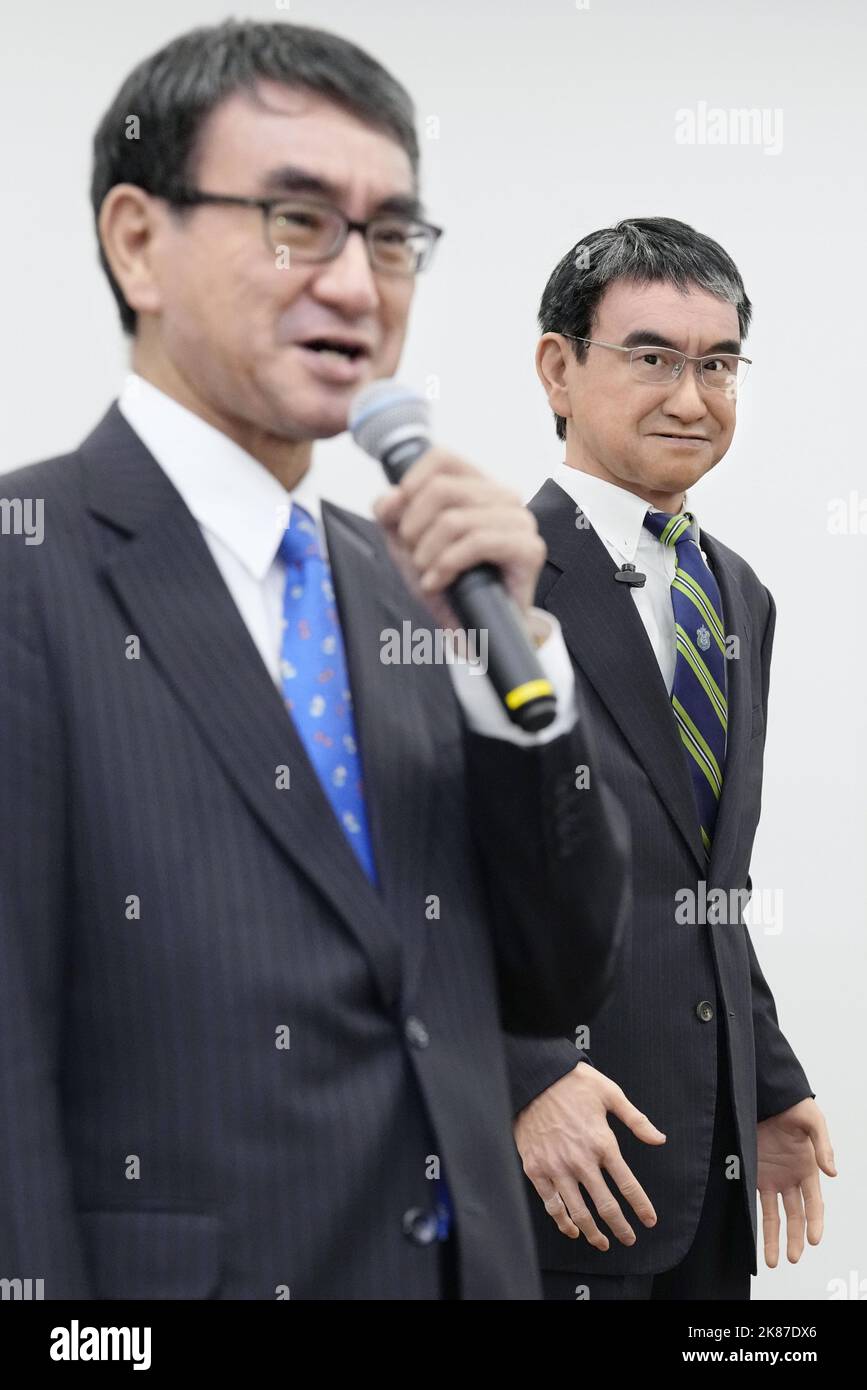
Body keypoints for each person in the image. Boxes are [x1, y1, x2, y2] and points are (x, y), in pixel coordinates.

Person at [0, 21, 630, 1301]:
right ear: (138, 240)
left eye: (391, 235)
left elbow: (552, 976)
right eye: (296, 220)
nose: (356, 282)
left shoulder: (419, 583)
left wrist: (522, 687)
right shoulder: (27, 570)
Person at [508, 217, 836, 1300]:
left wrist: (771, 1083)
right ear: (560, 367)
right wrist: (528, 1078)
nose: (692, 398)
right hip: (550, 1174)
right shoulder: (478, 585)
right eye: (651, 357)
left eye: (719, 363)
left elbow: (707, 884)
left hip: (705, 1165)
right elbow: (417, 888)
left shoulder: (740, 594)